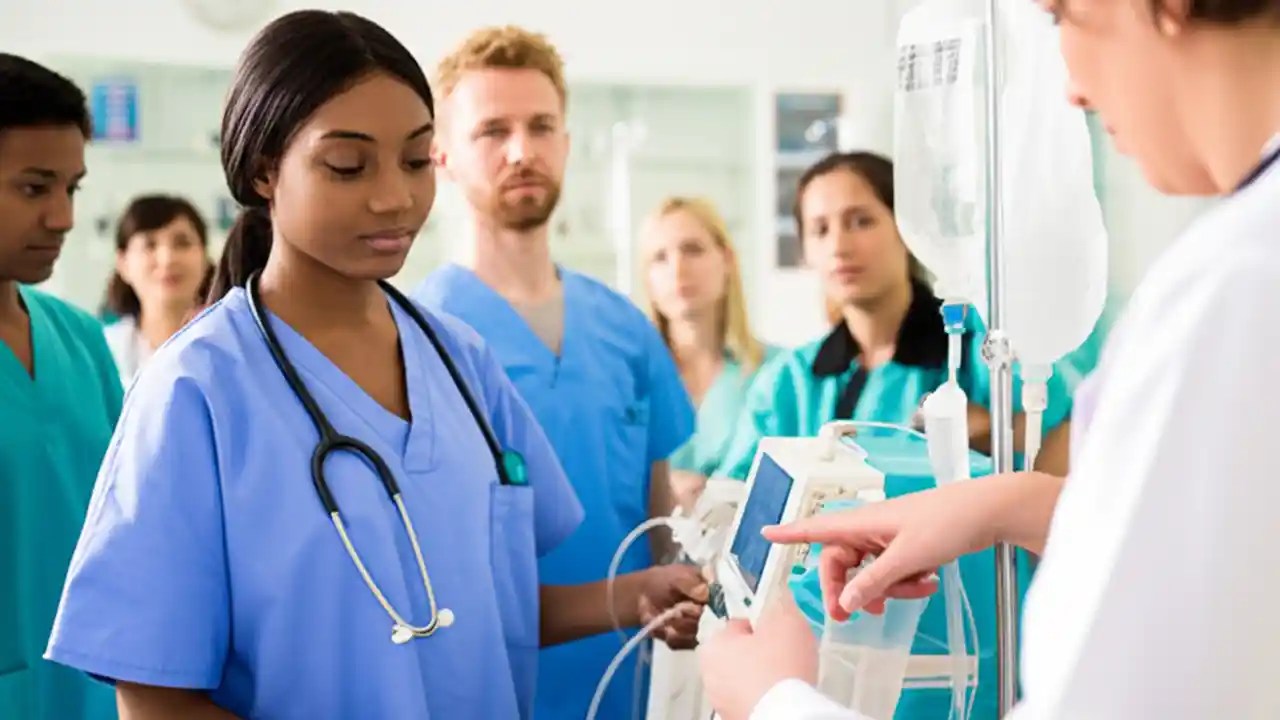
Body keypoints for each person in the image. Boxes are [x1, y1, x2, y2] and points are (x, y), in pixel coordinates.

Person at [43, 12, 702, 720]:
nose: (395, 197)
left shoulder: (460, 364)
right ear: (265, 169)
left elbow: (480, 609)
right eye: (348, 166)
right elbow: (153, 696)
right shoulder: (196, 390)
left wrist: (631, 597)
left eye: (416, 161)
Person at [700, 0, 1280, 717]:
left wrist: (772, 700)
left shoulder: (1234, 286)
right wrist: (1011, 503)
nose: (1070, 87)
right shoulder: (1235, 269)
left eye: (1066, 16)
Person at [711, 150, 1090, 720]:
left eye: (861, 219)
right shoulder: (790, 381)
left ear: (905, 228)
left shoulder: (985, 353)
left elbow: (1064, 477)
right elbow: (737, 506)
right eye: (820, 228)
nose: (840, 243)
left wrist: (990, 438)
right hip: (829, 655)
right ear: (806, 250)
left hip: (981, 648)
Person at [410, 26, 699, 720]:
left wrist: (682, 594)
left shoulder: (625, 329)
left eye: (542, 126)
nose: (522, 151)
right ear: (441, 156)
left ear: (566, 143)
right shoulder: (420, 336)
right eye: (492, 131)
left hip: (621, 687)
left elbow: (654, 514)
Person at [0, 53, 123, 720]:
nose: (63, 218)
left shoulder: (80, 340)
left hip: (99, 693)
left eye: (71, 189)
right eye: (33, 187)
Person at [639, 196, 776, 510]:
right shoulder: (627, 381)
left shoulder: (778, 373)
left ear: (727, 259)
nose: (678, 268)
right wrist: (664, 486)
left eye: (693, 249)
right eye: (660, 257)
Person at [100, 194, 213, 382]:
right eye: (149, 245)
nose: (167, 259)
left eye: (182, 243)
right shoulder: (104, 351)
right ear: (123, 263)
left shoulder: (232, 345)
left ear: (205, 258)